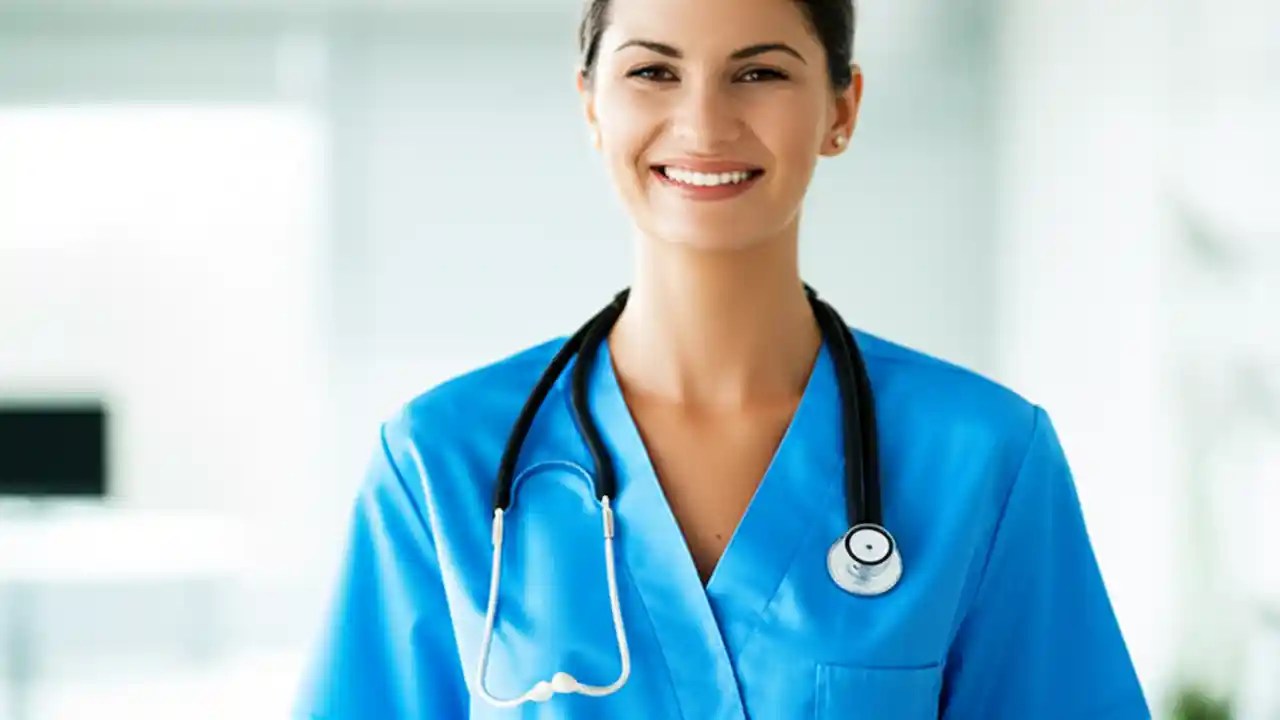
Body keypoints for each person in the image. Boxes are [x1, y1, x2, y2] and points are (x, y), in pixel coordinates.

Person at [293, 0, 1150, 717]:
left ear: (842, 110)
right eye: (653, 72)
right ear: (592, 104)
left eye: (760, 72)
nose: (703, 122)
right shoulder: (441, 463)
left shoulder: (983, 459)